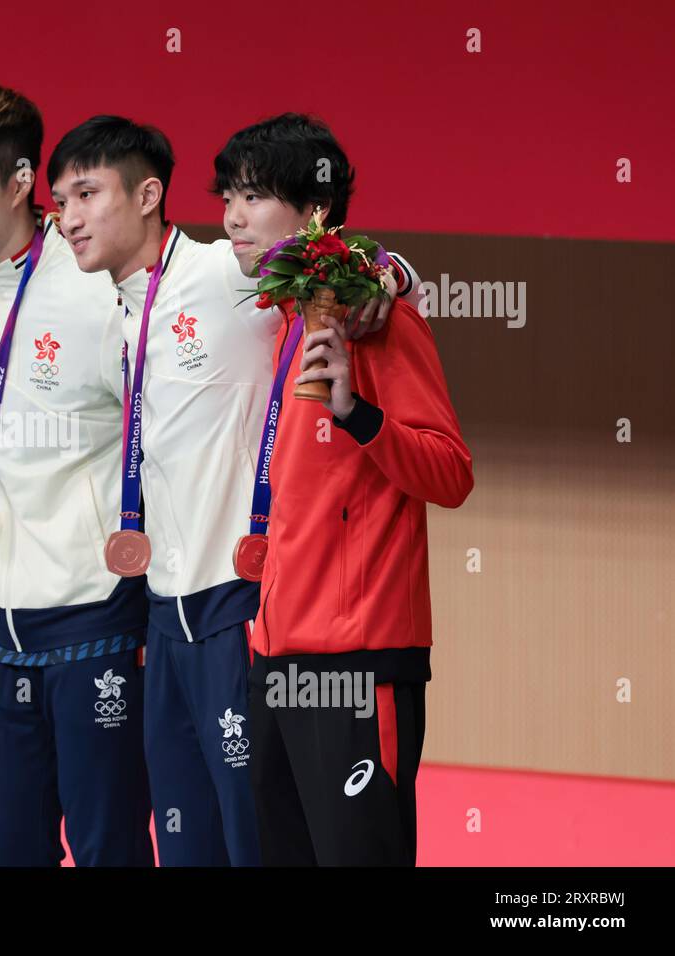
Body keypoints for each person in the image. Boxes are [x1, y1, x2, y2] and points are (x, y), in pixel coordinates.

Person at [48, 115, 422, 865]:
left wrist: (393, 272)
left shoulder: (226, 271)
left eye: (87, 194)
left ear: (148, 195)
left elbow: (331, 252)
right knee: (184, 842)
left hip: (239, 605)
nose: (68, 217)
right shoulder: (94, 296)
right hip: (161, 610)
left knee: (257, 838)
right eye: (59, 201)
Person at [216, 113, 474, 865]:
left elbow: (451, 474)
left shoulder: (377, 322)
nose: (233, 214)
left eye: (256, 194)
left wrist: (361, 418)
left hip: (358, 662)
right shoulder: (291, 314)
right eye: (229, 193)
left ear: (315, 212)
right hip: (277, 653)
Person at [0, 85, 153, 866]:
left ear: (20, 183)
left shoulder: (95, 286)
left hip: (95, 618)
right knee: (7, 851)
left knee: (107, 848)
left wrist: (390, 273)